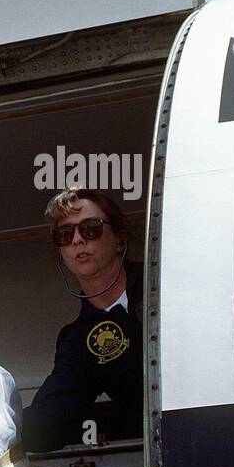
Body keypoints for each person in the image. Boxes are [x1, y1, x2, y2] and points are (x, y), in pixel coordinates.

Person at [22, 188, 143, 452]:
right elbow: (51, 419)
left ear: (120, 239)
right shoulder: (78, 340)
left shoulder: (165, 287)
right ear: (60, 253)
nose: (77, 240)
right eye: (65, 235)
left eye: (90, 229)